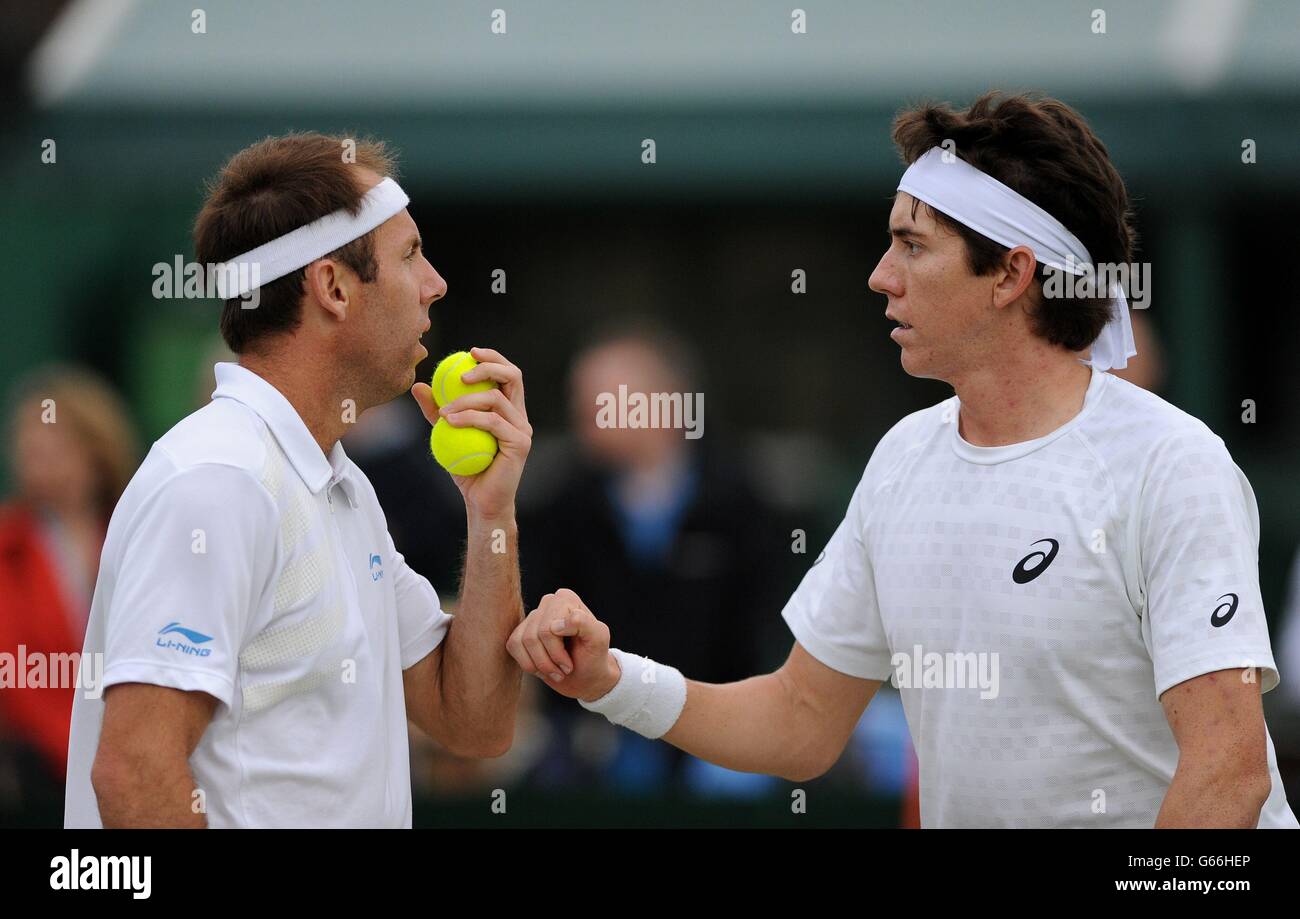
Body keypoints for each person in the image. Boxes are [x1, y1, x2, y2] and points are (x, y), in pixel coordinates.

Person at [510, 93, 1298, 828]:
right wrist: (612, 681)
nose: (880, 276)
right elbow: (801, 721)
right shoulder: (902, 461)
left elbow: (1228, 771)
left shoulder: (1172, 464)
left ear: (1012, 274)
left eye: (912, 245)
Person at [65, 132, 532, 827]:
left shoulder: (340, 486)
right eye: (409, 255)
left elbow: (475, 724)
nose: (435, 283)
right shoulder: (218, 482)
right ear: (334, 288)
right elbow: (135, 773)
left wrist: (492, 516)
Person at [0, 367, 137, 803]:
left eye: (54, 452)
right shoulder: (10, 547)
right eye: (29, 452)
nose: (37, 466)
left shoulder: (130, 534)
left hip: (124, 754)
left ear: (95, 453)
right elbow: (16, 673)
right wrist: (81, 756)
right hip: (42, 775)